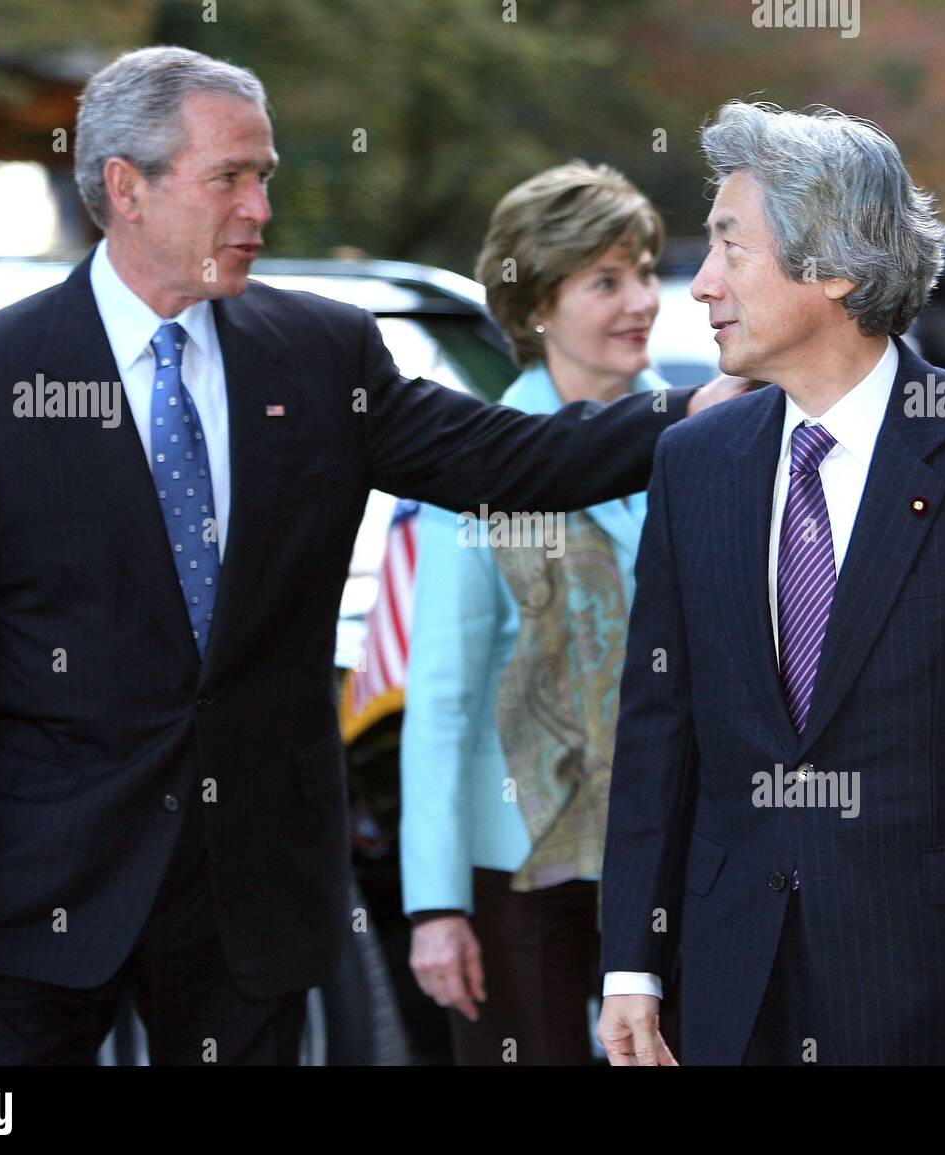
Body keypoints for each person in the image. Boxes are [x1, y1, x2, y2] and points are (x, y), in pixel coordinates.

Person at [0, 47, 727, 1066]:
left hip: (251, 890)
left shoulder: (324, 353)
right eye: (230, 177)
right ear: (125, 188)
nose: (260, 208)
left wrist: (705, 408)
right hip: (31, 886)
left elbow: (511, 457)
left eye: (264, 175)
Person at [597, 101, 945, 1067]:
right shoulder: (693, 461)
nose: (702, 285)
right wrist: (633, 963)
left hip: (939, 990)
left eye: (729, 249)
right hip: (729, 982)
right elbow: (658, 731)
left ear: (834, 268)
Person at [403, 162, 689, 1064]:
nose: (641, 299)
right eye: (606, 280)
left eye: (644, 271)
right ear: (534, 309)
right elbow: (441, 701)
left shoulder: (689, 445)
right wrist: (435, 906)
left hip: (672, 862)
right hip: (518, 876)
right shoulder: (482, 471)